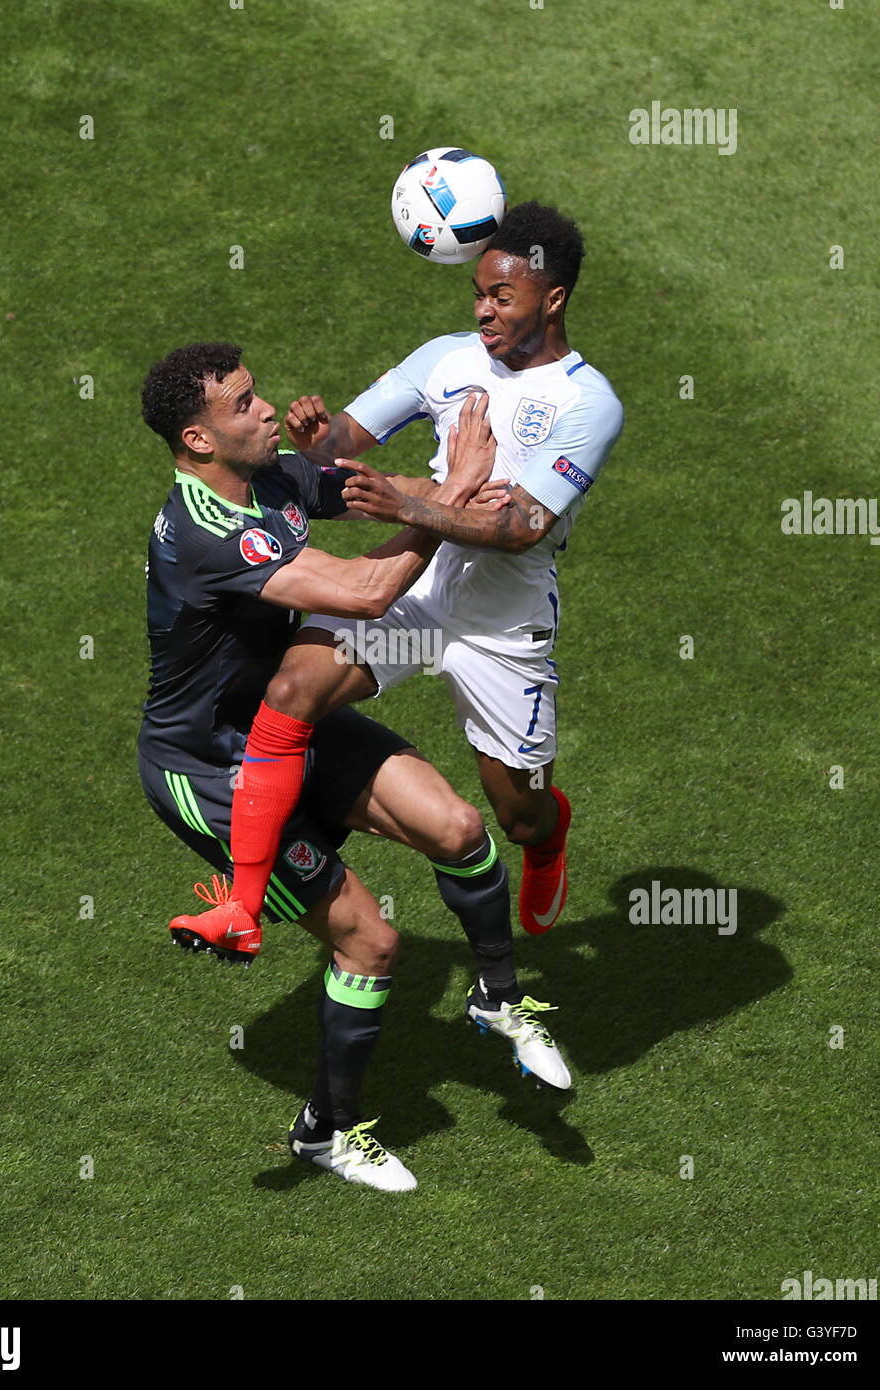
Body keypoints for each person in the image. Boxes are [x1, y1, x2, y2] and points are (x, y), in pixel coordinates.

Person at [137, 341, 571, 1193]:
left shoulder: (269, 479)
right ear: (197, 441)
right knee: (371, 940)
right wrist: (449, 500)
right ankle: (326, 1132)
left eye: (259, 394)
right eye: (243, 406)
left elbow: (371, 494)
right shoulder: (204, 532)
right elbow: (368, 591)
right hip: (211, 770)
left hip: (289, 726)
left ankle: (495, 997)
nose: (267, 411)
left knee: (457, 827)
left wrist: (460, 491)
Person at [197, 201, 624, 964]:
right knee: (294, 690)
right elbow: (341, 445)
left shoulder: (589, 404)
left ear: (552, 299)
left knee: (516, 815)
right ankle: (245, 897)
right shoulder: (445, 359)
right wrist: (314, 437)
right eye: (478, 293)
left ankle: (547, 834)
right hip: (415, 587)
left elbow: (522, 526)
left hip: (503, 620)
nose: (483, 310)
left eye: (503, 296)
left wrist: (414, 502)